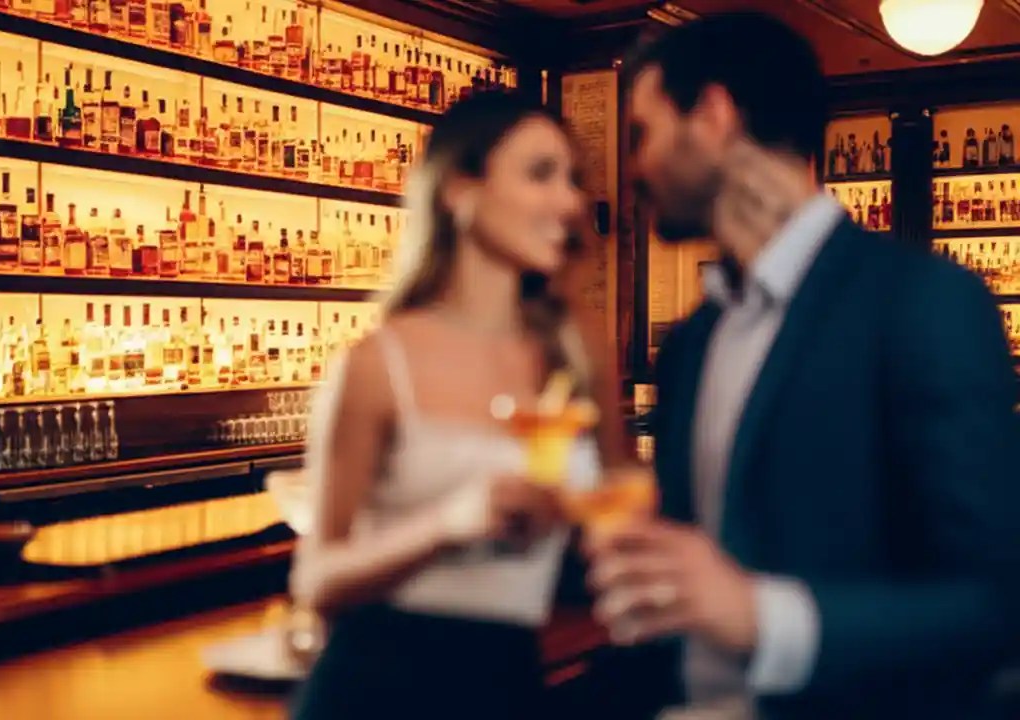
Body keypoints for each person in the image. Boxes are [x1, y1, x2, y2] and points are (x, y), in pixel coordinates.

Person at [583, 11, 1020, 720]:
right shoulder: (693, 343)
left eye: (642, 134)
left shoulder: (923, 300)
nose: (632, 167)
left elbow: (997, 602)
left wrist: (764, 616)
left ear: (715, 116)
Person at [287, 91, 629, 720]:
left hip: (509, 680)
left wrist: (584, 517)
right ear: (459, 190)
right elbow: (315, 581)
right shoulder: (378, 363)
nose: (571, 202)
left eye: (572, 179)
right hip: (376, 689)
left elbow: (616, 519)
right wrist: (451, 522)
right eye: (539, 174)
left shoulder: (575, 357)